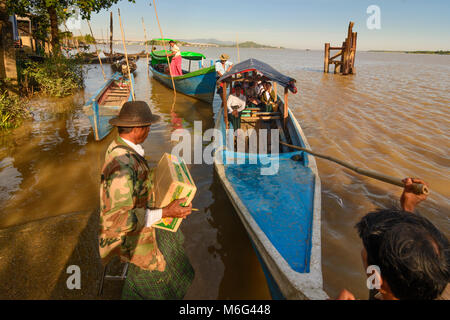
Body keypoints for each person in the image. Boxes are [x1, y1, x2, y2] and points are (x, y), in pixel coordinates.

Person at [99, 101, 194, 300]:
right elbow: (116, 220)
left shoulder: (122, 148)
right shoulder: (121, 166)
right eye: (148, 126)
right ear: (137, 129)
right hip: (131, 242)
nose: (150, 129)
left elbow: (136, 184)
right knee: (159, 283)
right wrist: (167, 212)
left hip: (141, 223)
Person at [337, 178, 449, 300]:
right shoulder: (430, 283)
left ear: (376, 278)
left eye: (367, 247)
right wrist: (408, 209)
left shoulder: (378, 282)